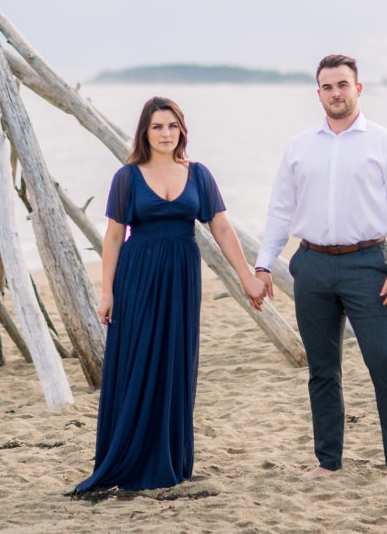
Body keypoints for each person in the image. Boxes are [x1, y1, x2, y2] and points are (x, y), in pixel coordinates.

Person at [75, 96, 267, 493]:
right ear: (145, 131)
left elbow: (223, 230)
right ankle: (127, 457)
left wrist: (247, 277)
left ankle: (168, 459)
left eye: (172, 126)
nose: (165, 133)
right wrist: (106, 292)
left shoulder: (198, 174)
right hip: (137, 276)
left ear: (182, 130)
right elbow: (113, 236)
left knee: (174, 361)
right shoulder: (127, 177)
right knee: (137, 361)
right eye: (157, 126)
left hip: (181, 277)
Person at [254, 54, 387, 478]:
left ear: (358, 89)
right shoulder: (300, 147)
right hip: (311, 266)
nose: (336, 93)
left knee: (384, 361)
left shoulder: (384, 142)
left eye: (343, 85)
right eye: (327, 87)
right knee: (322, 370)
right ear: (319, 93)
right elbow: (279, 211)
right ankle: (328, 462)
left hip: (368, 264)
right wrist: (263, 265)